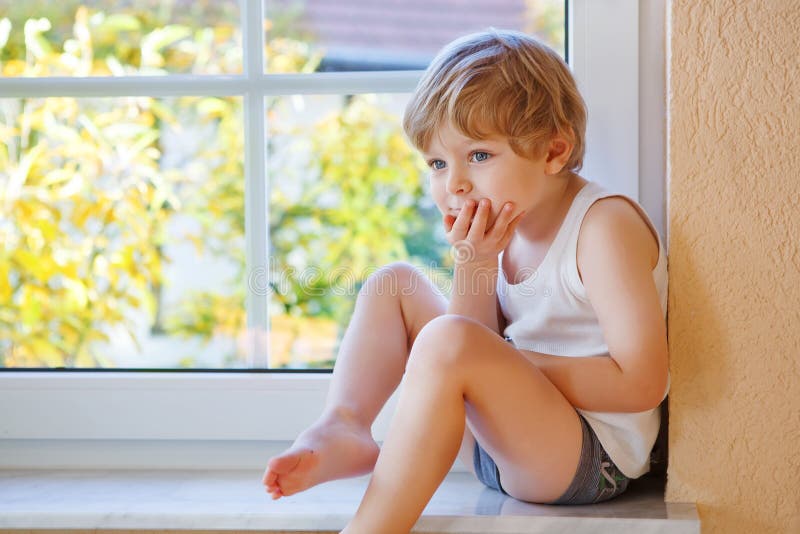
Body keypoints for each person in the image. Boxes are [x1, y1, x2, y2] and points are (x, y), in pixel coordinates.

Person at [262, 28, 669, 534]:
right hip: (499, 447)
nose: (452, 182)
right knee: (397, 284)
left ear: (552, 152)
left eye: (478, 155)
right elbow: (468, 344)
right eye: (437, 162)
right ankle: (342, 426)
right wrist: (474, 266)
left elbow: (644, 383)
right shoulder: (504, 224)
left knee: (450, 340)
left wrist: (503, 359)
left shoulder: (604, 228)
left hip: (587, 459)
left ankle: (371, 529)